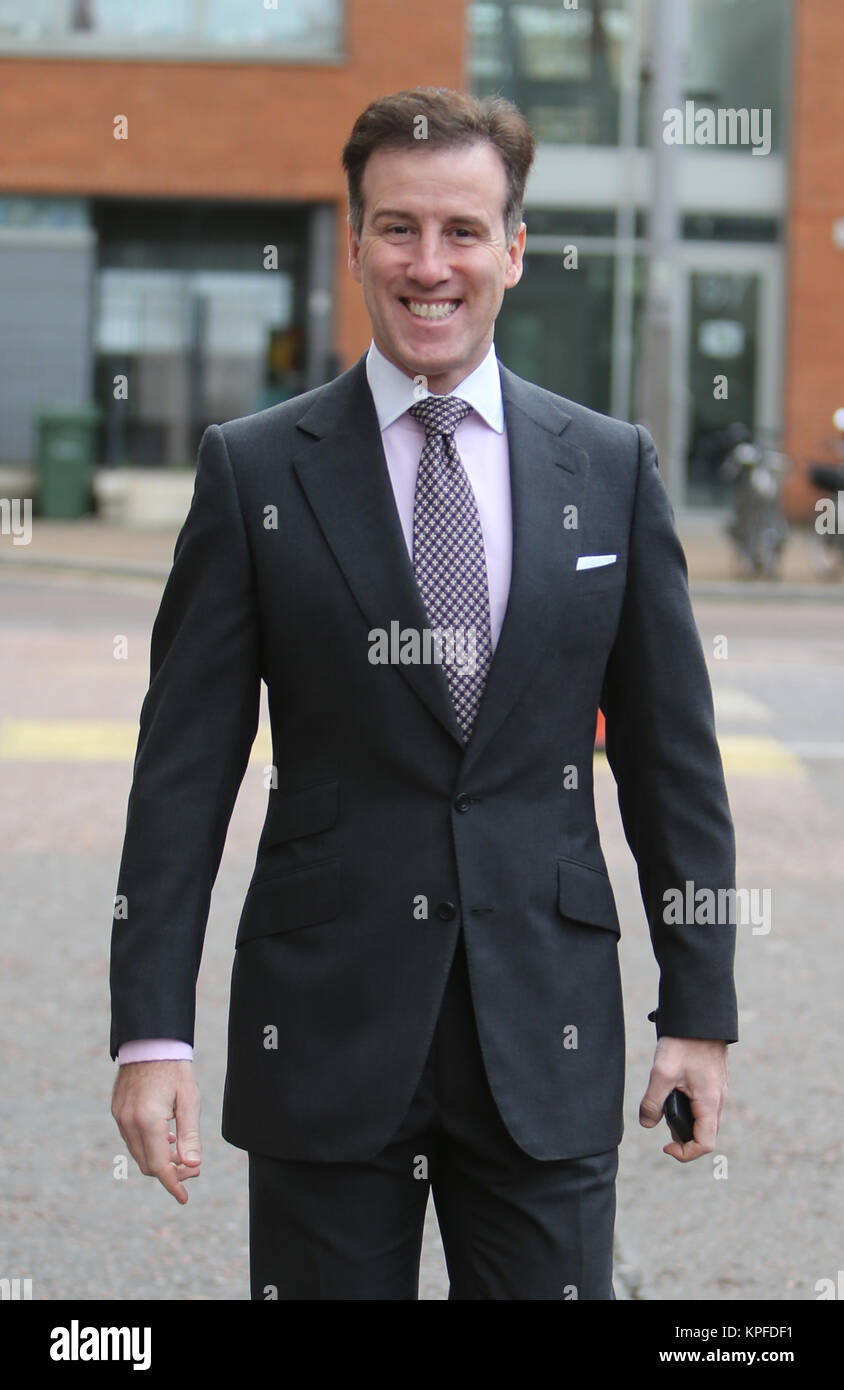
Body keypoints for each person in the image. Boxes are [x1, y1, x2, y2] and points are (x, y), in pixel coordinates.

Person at [110, 86, 738, 1301]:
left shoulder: (607, 470)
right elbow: (180, 773)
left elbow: (671, 763)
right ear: (353, 245)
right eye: (397, 229)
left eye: (461, 230)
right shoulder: (252, 472)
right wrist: (153, 1033)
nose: (428, 263)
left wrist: (698, 1010)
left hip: (541, 1032)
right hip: (326, 1031)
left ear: (512, 247)